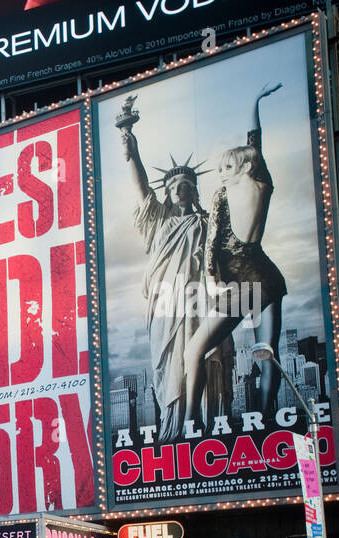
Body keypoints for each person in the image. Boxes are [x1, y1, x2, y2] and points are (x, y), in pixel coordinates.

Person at [185, 82, 287, 421]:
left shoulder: (224, 196)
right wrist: (255, 102)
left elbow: (214, 245)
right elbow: (255, 141)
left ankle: (189, 425)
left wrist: (213, 281)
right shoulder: (264, 186)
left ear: (245, 166)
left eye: (227, 168)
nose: (221, 174)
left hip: (241, 286)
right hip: (265, 278)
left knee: (195, 349)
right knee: (267, 354)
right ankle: (266, 418)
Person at [119, 95, 209, 442]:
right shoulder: (157, 221)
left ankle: (195, 423)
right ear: (168, 193)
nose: (181, 190)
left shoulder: (205, 223)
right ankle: (173, 428)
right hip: (164, 304)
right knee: (168, 364)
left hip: (197, 300)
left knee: (196, 358)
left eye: (187, 186)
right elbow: (141, 186)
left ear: (194, 191)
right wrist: (132, 147)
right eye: (175, 187)